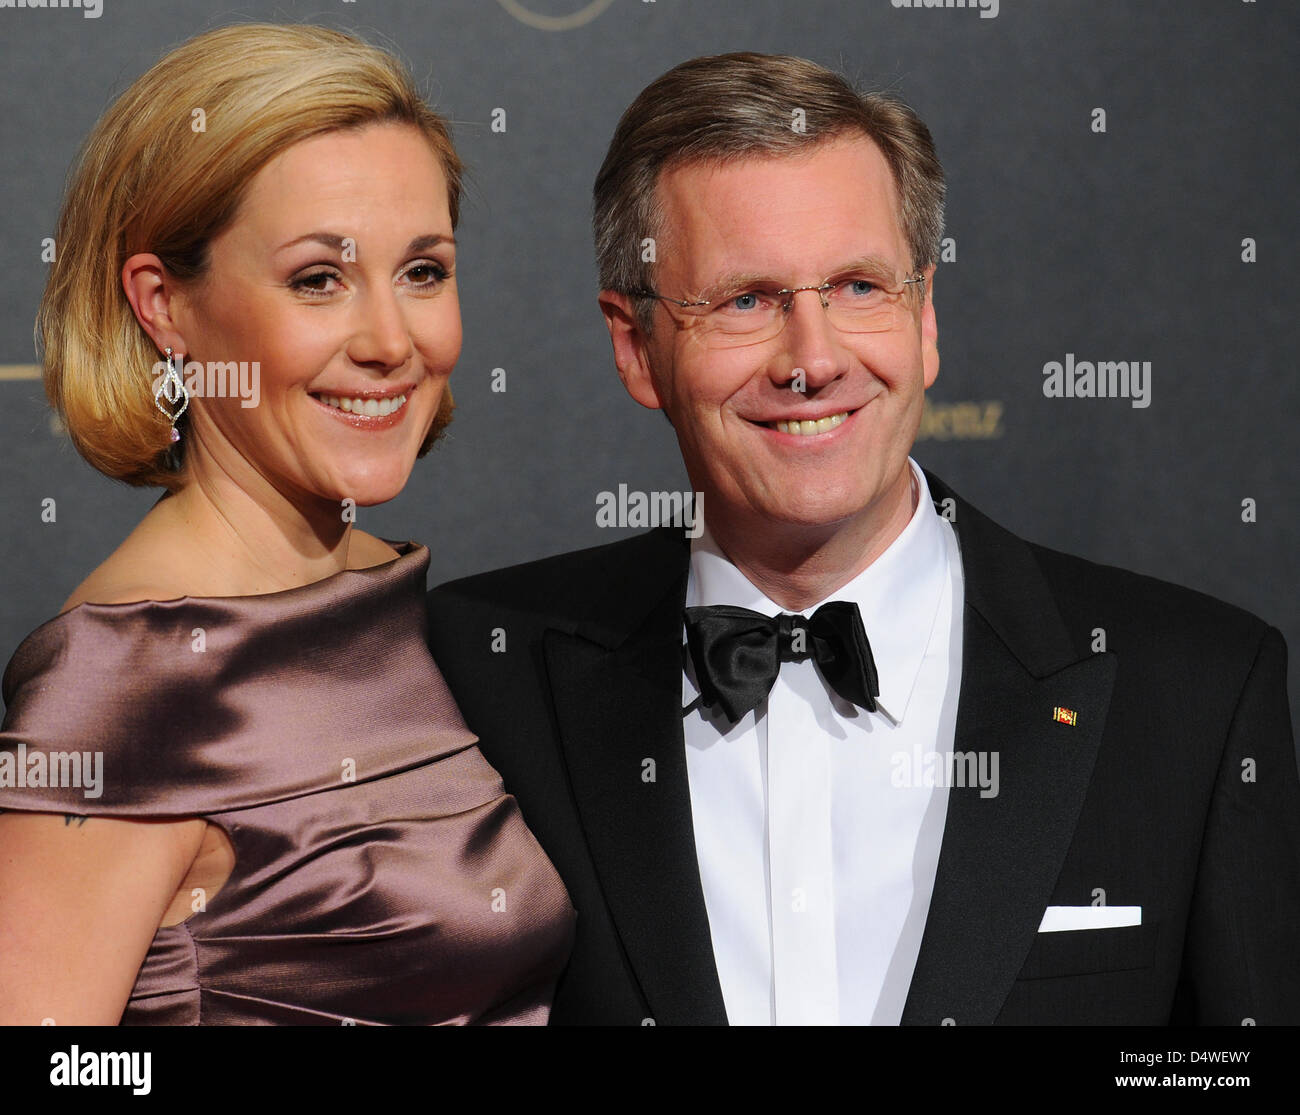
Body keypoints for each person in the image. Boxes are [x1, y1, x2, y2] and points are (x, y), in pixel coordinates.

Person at [426, 52, 1300, 1025]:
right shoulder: (475, 677)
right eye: (745, 299)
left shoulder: (1193, 692)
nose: (813, 358)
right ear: (636, 347)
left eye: (857, 287)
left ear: (923, 316)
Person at [0, 23, 574, 1026]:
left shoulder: (396, 603)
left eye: (423, 272)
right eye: (318, 279)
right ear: (164, 307)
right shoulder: (130, 679)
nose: (390, 341)